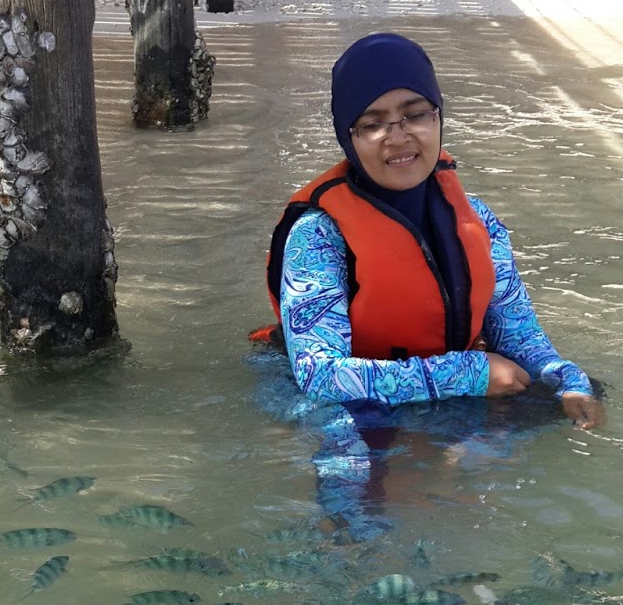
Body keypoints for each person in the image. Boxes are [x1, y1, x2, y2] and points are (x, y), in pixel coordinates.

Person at [251, 31, 605, 535]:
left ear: (438, 117)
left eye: (415, 114)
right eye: (372, 123)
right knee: (358, 513)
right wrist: (465, 374)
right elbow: (318, 376)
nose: (398, 138)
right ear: (347, 137)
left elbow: (521, 337)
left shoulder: (477, 221)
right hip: (347, 400)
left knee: (568, 407)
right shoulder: (318, 235)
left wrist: (568, 381)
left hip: (447, 381)